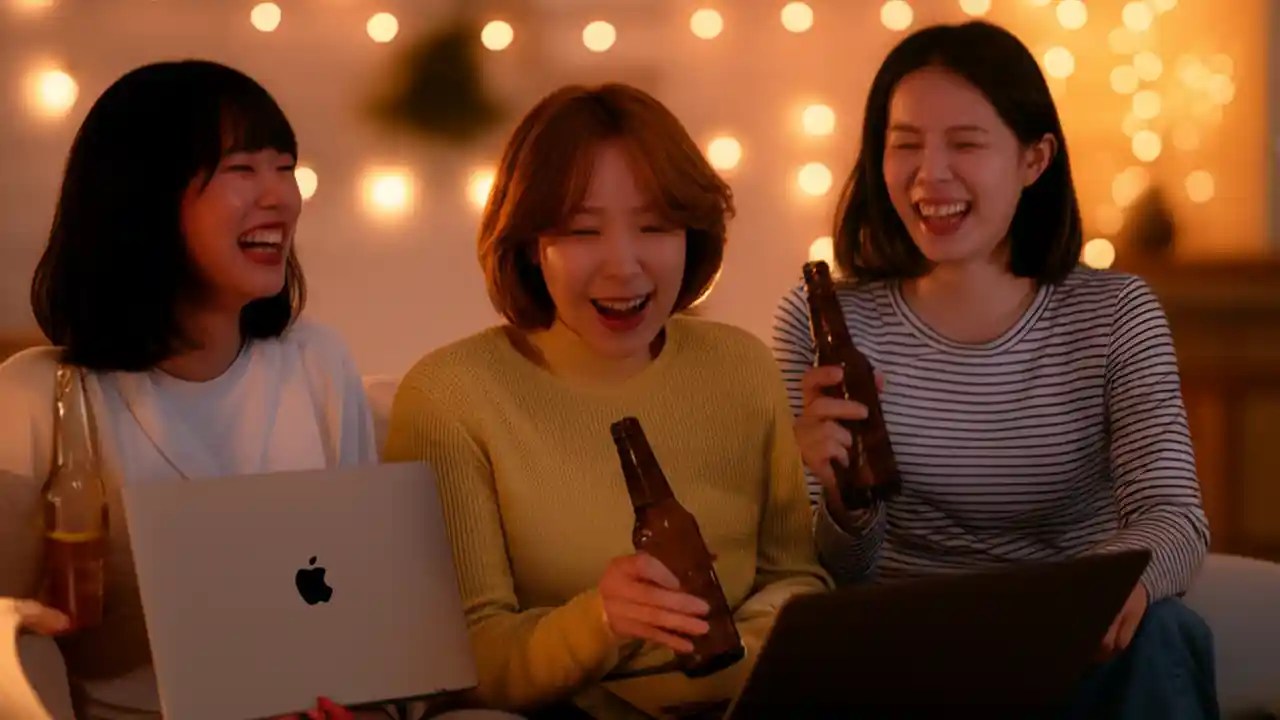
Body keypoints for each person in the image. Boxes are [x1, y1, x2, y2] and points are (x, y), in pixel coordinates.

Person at [770, 21, 1218, 719]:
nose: (930, 175)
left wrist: (1120, 591)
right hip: (892, 653)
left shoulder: (1116, 313)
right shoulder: (818, 321)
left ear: (1035, 160)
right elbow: (828, 572)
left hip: (1067, 645)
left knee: (1165, 632)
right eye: (906, 145)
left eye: (966, 144)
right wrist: (844, 503)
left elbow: (1175, 518)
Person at [384, 83, 831, 719]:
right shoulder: (452, 396)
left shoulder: (741, 365)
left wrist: (751, 659)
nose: (623, 266)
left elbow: (793, 579)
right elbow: (461, 663)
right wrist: (601, 620)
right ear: (530, 246)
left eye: (654, 226)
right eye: (582, 230)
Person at [0, 60, 381, 720]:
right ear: (142, 196)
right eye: (240, 169)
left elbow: (361, 608)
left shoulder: (318, 363)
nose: (279, 196)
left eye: (284, 167)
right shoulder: (41, 397)